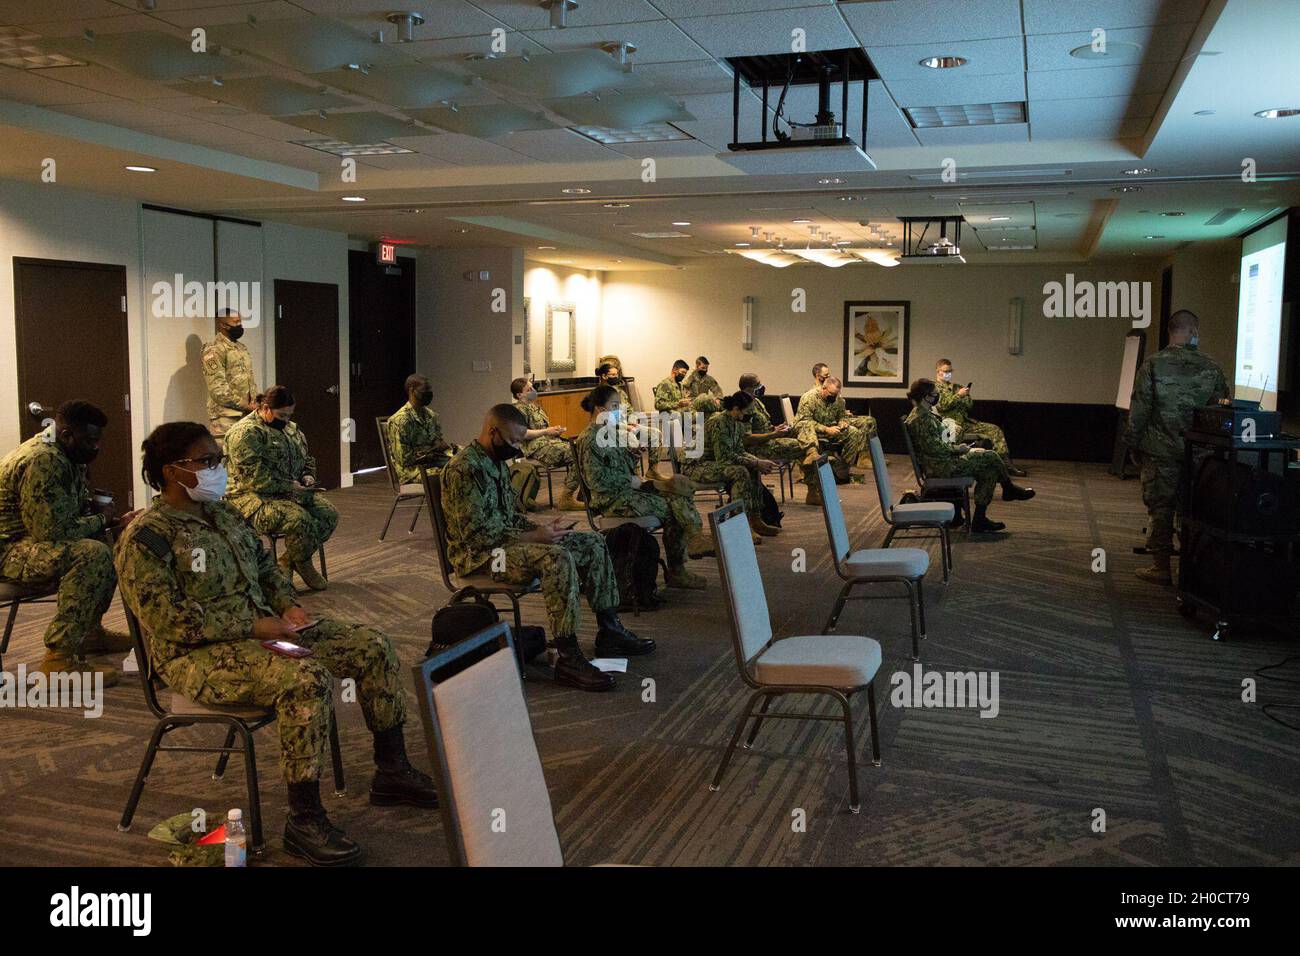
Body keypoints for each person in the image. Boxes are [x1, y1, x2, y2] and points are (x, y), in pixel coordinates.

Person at [116, 421, 436, 866]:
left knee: (372, 644)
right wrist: (253, 625)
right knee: (305, 679)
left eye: (218, 461)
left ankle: (392, 770)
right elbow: (168, 619)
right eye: (206, 462)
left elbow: (266, 569)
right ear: (172, 471)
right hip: (195, 657)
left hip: (263, 631)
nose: (217, 470)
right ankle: (304, 818)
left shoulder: (223, 515)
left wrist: (286, 607)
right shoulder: (147, 537)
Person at [440, 404, 652, 692]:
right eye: (513, 440)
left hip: (504, 543)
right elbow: (477, 536)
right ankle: (568, 656)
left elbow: (509, 518)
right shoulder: (464, 470)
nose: (517, 447)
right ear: (492, 433)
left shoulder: (495, 463)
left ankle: (610, 629)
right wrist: (534, 537)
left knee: (591, 542)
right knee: (557, 559)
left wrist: (541, 529)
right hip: (481, 558)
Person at [0, 401, 137, 685]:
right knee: (90, 554)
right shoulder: (43, 460)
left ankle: (88, 632)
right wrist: (101, 519)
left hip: (27, 541)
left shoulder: (66, 455)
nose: (97, 447)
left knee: (108, 541)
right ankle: (58, 661)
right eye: (91, 440)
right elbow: (53, 532)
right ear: (66, 435)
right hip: (7, 551)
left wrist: (110, 522)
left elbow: (65, 516)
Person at [1124, 309, 1229, 584]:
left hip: (1159, 451)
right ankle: (1191, 568)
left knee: (1160, 507)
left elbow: (1139, 412)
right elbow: (1222, 413)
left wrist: (1132, 445)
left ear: (1171, 331)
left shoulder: (1153, 365)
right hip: (1199, 454)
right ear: (1193, 331)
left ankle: (1160, 567)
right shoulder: (1211, 367)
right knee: (1192, 510)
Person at [577, 385, 711, 587]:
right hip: (612, 499)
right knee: (673, 509)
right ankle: (679, 566)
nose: (619, 411)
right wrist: (630, 480)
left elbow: (620, 468)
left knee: (679, 492)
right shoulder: (590, 439)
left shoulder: (611, 433)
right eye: (614, 406)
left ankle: (693, 544)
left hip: (628, 491)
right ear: (600, 410)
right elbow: (596, 480)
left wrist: (632, 456)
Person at [225, 386, 336, 591]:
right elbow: (253, 478)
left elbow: (306, 459)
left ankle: (290, 560)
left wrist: (307, 476)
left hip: (288, 492)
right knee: (299, 520)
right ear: (265, 408)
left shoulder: (291, 429)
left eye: (289, 415)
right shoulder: (245, 433)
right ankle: (302, 564)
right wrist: (289, 485)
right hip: (251, 498)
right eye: (281, 415)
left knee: (329, 515)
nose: (286, 420)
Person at [904, 378, 1035, 533]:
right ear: (926, 397)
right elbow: (935, 449)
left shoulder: (923, 414)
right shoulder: (922, 419)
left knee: (989, 470)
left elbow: (937, 443)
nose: (938, 396)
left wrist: (955, 442)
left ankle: (980, 519)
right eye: (935, 394)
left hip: (942, 461)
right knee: (991, 457)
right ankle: (1008, 488)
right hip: (941, 466)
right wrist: (960, 449)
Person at [685, 391, 781, 539]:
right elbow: (725, 457)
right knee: (741, 472)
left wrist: (757, 462)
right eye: (747, 412)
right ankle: (740, 526)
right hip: (696, 466)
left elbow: (739, 451)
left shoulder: (736, 422)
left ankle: (755, 518)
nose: (750, 416)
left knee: (752, 468)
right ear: (736, 409)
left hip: (713, 462)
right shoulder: (719, 422)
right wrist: (756, 462)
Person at [934, 358, 1026, 476]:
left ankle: (1006, 464)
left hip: (966, 422)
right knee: (955, 435)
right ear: (938, 371)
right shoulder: (934, 388)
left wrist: (965, 396)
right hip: (950, 425)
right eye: (945, 371)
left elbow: (969, 405)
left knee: (994, 429)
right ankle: (953, 467)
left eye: (950, 371)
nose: (948, 374)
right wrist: (958, 396)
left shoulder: (957, 386)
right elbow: (942, 406)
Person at [738, 372, 819, 498]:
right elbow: (746, 439)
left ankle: (812, 453)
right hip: (758, 447)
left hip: (769, 438)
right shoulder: (744, 406)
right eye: (758, 384)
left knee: (805, 425)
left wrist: (776, 428)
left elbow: (764, 427)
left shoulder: (757, 402)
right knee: (801, 446)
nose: (762, 386)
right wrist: (774, 434)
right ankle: (814, 493)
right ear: (749, 388)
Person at [794, 375, 877, 494]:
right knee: (806, 425)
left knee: (854, 432)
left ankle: (841, 471)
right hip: (811, 431)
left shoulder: (838, 400)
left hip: (831, 429)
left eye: (836, 394)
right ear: (824, 388)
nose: (834, 397)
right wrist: (826, 429)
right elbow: (803, 421)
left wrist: (843, 422)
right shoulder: (809, 398)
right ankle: (814, 458)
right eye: (831, 394)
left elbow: (843, 416)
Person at [511, 376, 582, 511]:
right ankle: (566, 498)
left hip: (550, 442)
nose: (533, 390)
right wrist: (546, 431)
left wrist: (554, 431)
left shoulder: (535, 407)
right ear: (519, 395)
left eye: (532, 387)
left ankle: (582, 495)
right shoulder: (519, 409)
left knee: (582, 448)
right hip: (535, 448)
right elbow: (523, 433)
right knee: (577, 453)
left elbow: (544, 430)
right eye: (529, 389)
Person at [201, 308, 257, 449]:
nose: (239, 325)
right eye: (235, 322)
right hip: (226, 418)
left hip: (246, 415)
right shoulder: (214, 349)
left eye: (240, 321)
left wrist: (255, 402)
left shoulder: (240, 348)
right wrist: (244, 405)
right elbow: (218, 390)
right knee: (228, 460)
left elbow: (247, 380)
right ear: (223, 325)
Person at [387, 374, 455, 484]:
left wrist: (444, 449)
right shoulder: (401, 421)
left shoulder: (431, 416)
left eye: (430, 390)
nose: (429, 393)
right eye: (425, 390)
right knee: (450, 475)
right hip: (412, 471)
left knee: (464, 466)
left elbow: (438, 442)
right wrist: (431, 450)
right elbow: (404, 459)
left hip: (433, 463)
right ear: (412, 391)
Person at [651, 360, 694, 471]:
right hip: (668, 414)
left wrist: (686, 401)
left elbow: (680, 402)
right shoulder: (665, 384)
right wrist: (678, 403)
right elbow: (658, 404)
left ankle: (691, 451)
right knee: (681, 416)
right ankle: (681, 454)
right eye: (682, 372)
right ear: (675, 369)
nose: (684, 375)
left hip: (680, 413)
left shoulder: (679, 385)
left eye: (685, 374)